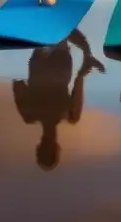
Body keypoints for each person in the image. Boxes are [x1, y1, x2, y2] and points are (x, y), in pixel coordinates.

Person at [12, 30, 105, 170]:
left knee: (58, 29)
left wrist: (87, 56)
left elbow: (80, 79)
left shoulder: (67, 115)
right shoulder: (29, 113)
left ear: (57, 147)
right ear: (38, 147)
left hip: (51, 56)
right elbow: (17, 83)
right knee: (57, 28)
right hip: (47, 56)